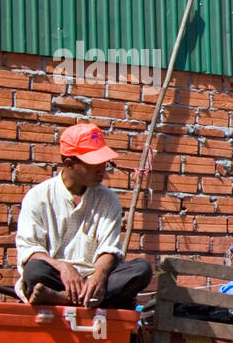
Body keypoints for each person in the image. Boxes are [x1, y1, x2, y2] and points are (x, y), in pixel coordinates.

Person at [15, 123, 152, 308]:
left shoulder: (108, 199)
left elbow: (109, 249)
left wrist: (99, 276)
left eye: (104, 162)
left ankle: (63, 298)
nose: (102, 169)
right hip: (56, 277)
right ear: (69, 164)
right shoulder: (38, 197)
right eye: (94, 163)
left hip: (93, 281)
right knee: (34, 271)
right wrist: (63, 267)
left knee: (141, 269)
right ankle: (87, 300)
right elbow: (30, 250)